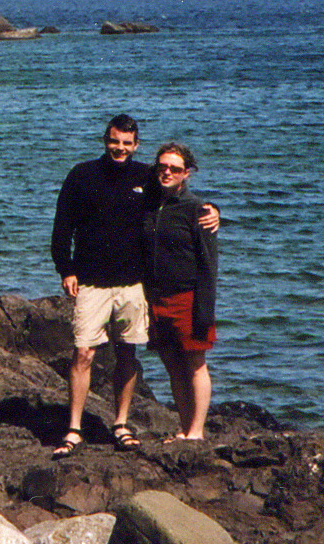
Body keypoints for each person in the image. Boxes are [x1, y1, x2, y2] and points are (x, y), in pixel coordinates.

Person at [49, 115, 218, 457]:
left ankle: (121, 423)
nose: (120, 148)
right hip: (91, 282)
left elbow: (182, 200)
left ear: (136, 145)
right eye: (115, 141)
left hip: (133, 285)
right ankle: (74, 429)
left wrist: (215, 210)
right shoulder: (81, 175)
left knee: (128, 353)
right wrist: (65, 269)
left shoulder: (148, 176)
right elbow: (62, 225)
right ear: (105, 139)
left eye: (127, 143)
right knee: (83, 353)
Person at [142, 142, 218, 441]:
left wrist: (205, 308)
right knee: (173, 365)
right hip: (156, 297)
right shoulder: (149, 205)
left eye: (174, 168)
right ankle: (185, 428)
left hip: (188, 297)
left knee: (195, 364)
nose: (167, 172)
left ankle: (197, 432)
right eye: (162, 167)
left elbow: (209, 263)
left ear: (186, 173)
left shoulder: (197, 209)